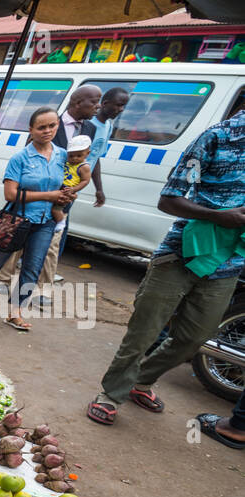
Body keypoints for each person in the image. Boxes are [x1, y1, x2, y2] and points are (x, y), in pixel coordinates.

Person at [86, 108, 245, 427]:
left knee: (194, 338)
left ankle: (141, 379)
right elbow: (169, 200)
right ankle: (111, 393)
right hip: (182, 252)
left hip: (229, 263)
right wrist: (219, 216)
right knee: (144, 329)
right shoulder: (217, 138)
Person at [0, 107, 71, 331]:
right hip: (17, 220)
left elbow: (66, 182)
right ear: (31, 130)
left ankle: (14, 313)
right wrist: (49, 195)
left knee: (32, 267)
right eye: (41, 127)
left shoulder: (62, 155)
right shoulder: (20, 158)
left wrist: (65, 194)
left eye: (52, 126)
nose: (47, 131)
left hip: (44, 222)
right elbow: (10, 194)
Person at [0, 86, 102, 294]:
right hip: (33, 199)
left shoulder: (90, 129)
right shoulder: (43, 124)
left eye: (53, 126)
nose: (98, 106)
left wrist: (82, 187)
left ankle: (42, 290)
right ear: (78, 102)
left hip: (61, 200)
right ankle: (3, 280)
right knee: (18, 241)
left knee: (51, 246)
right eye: (94, 101)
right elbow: (29, 157)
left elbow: (88, 161)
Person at [87, 86, 130, 210]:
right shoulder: (89, 124)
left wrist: (99, 189)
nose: (121, 109)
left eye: (123, 106)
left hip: (77, 186)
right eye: (118, 105)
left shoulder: (108, 127)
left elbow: (95, 158)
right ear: (105, 104)